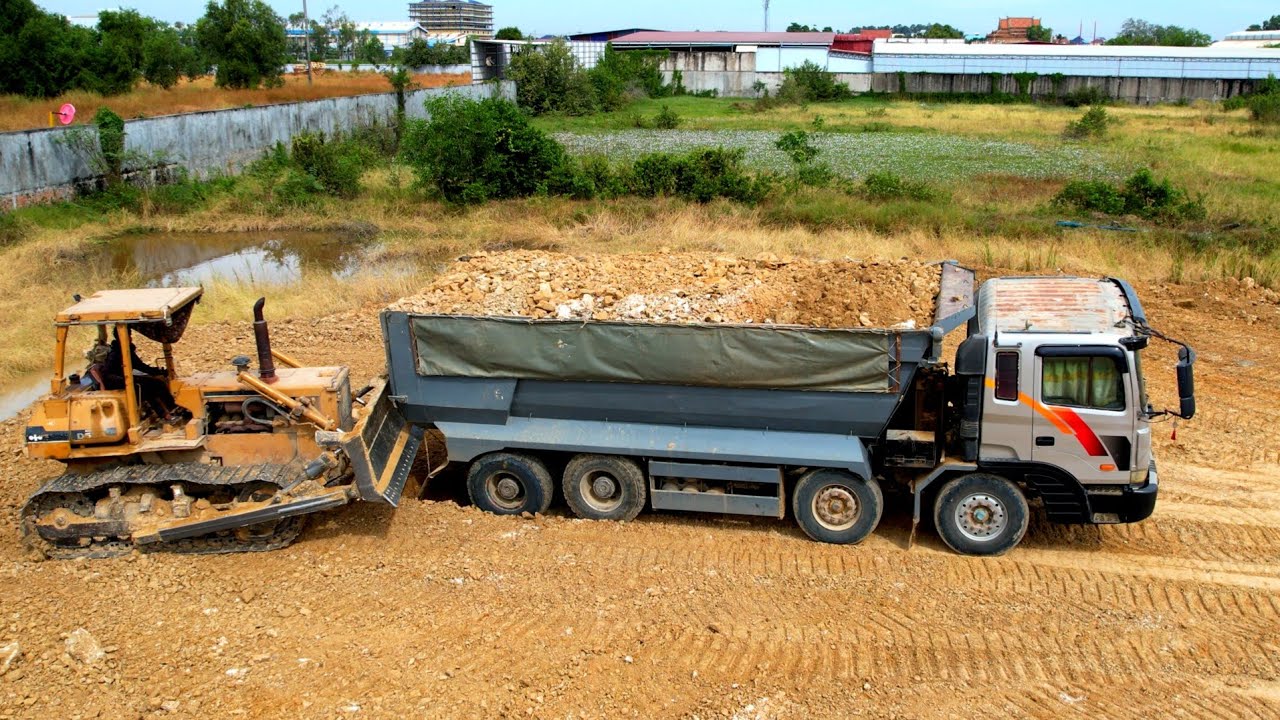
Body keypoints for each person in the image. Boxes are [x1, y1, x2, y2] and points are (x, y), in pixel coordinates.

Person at [101, 331, 182, 423]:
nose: (130, 338)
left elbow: (141, 366)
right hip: (116, 382)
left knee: (157, 383)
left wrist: (158, 371)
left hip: (124, 378)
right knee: (147, 389)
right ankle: (166, 414)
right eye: (129, 336)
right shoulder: (116, 353)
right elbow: (109, 374)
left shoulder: (125, 350)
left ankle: (174, 408)